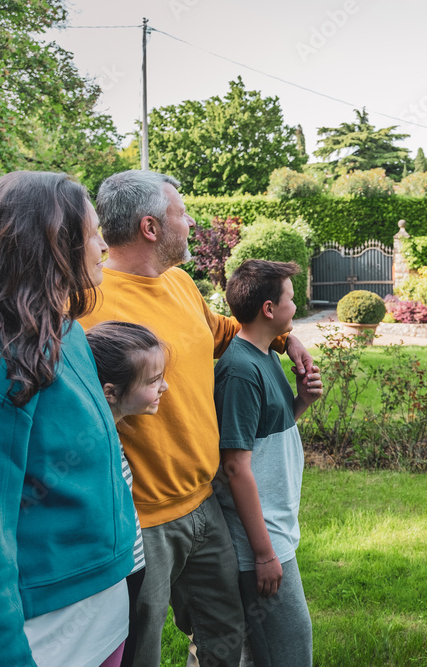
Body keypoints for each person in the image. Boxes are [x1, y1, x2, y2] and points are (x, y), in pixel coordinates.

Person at [77, 170, 316, 667]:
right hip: (142, 519)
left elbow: (227, 333)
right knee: (138, 648)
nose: (189, 222)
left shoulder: (181, 285)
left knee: (224, 638)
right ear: (151, 227)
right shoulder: (85, 300)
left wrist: (282, 337)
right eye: (180, 214)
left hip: (205, 506)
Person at [0, 171, 136, 666]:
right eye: (93, 232)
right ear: (51, 242)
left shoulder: (67, 331)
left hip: (101, 605)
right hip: (44, 628)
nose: (103, 245)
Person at [212, 260, 321, 667]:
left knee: (262, 653)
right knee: (290, 650)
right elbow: (236, 467)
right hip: (261, 540)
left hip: (276, 530)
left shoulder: (264, 356)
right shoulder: (240, 370)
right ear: (269, 309)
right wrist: (262, 554)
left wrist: (302, 403)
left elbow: (265, 435)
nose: (297, 305)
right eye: (292, 298)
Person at [86, 322, 169, 667]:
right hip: (114, 576)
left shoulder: (109, 430)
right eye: (152, 382)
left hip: (130, 566)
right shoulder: (93, 445)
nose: (164, 386)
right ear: (110, 391)